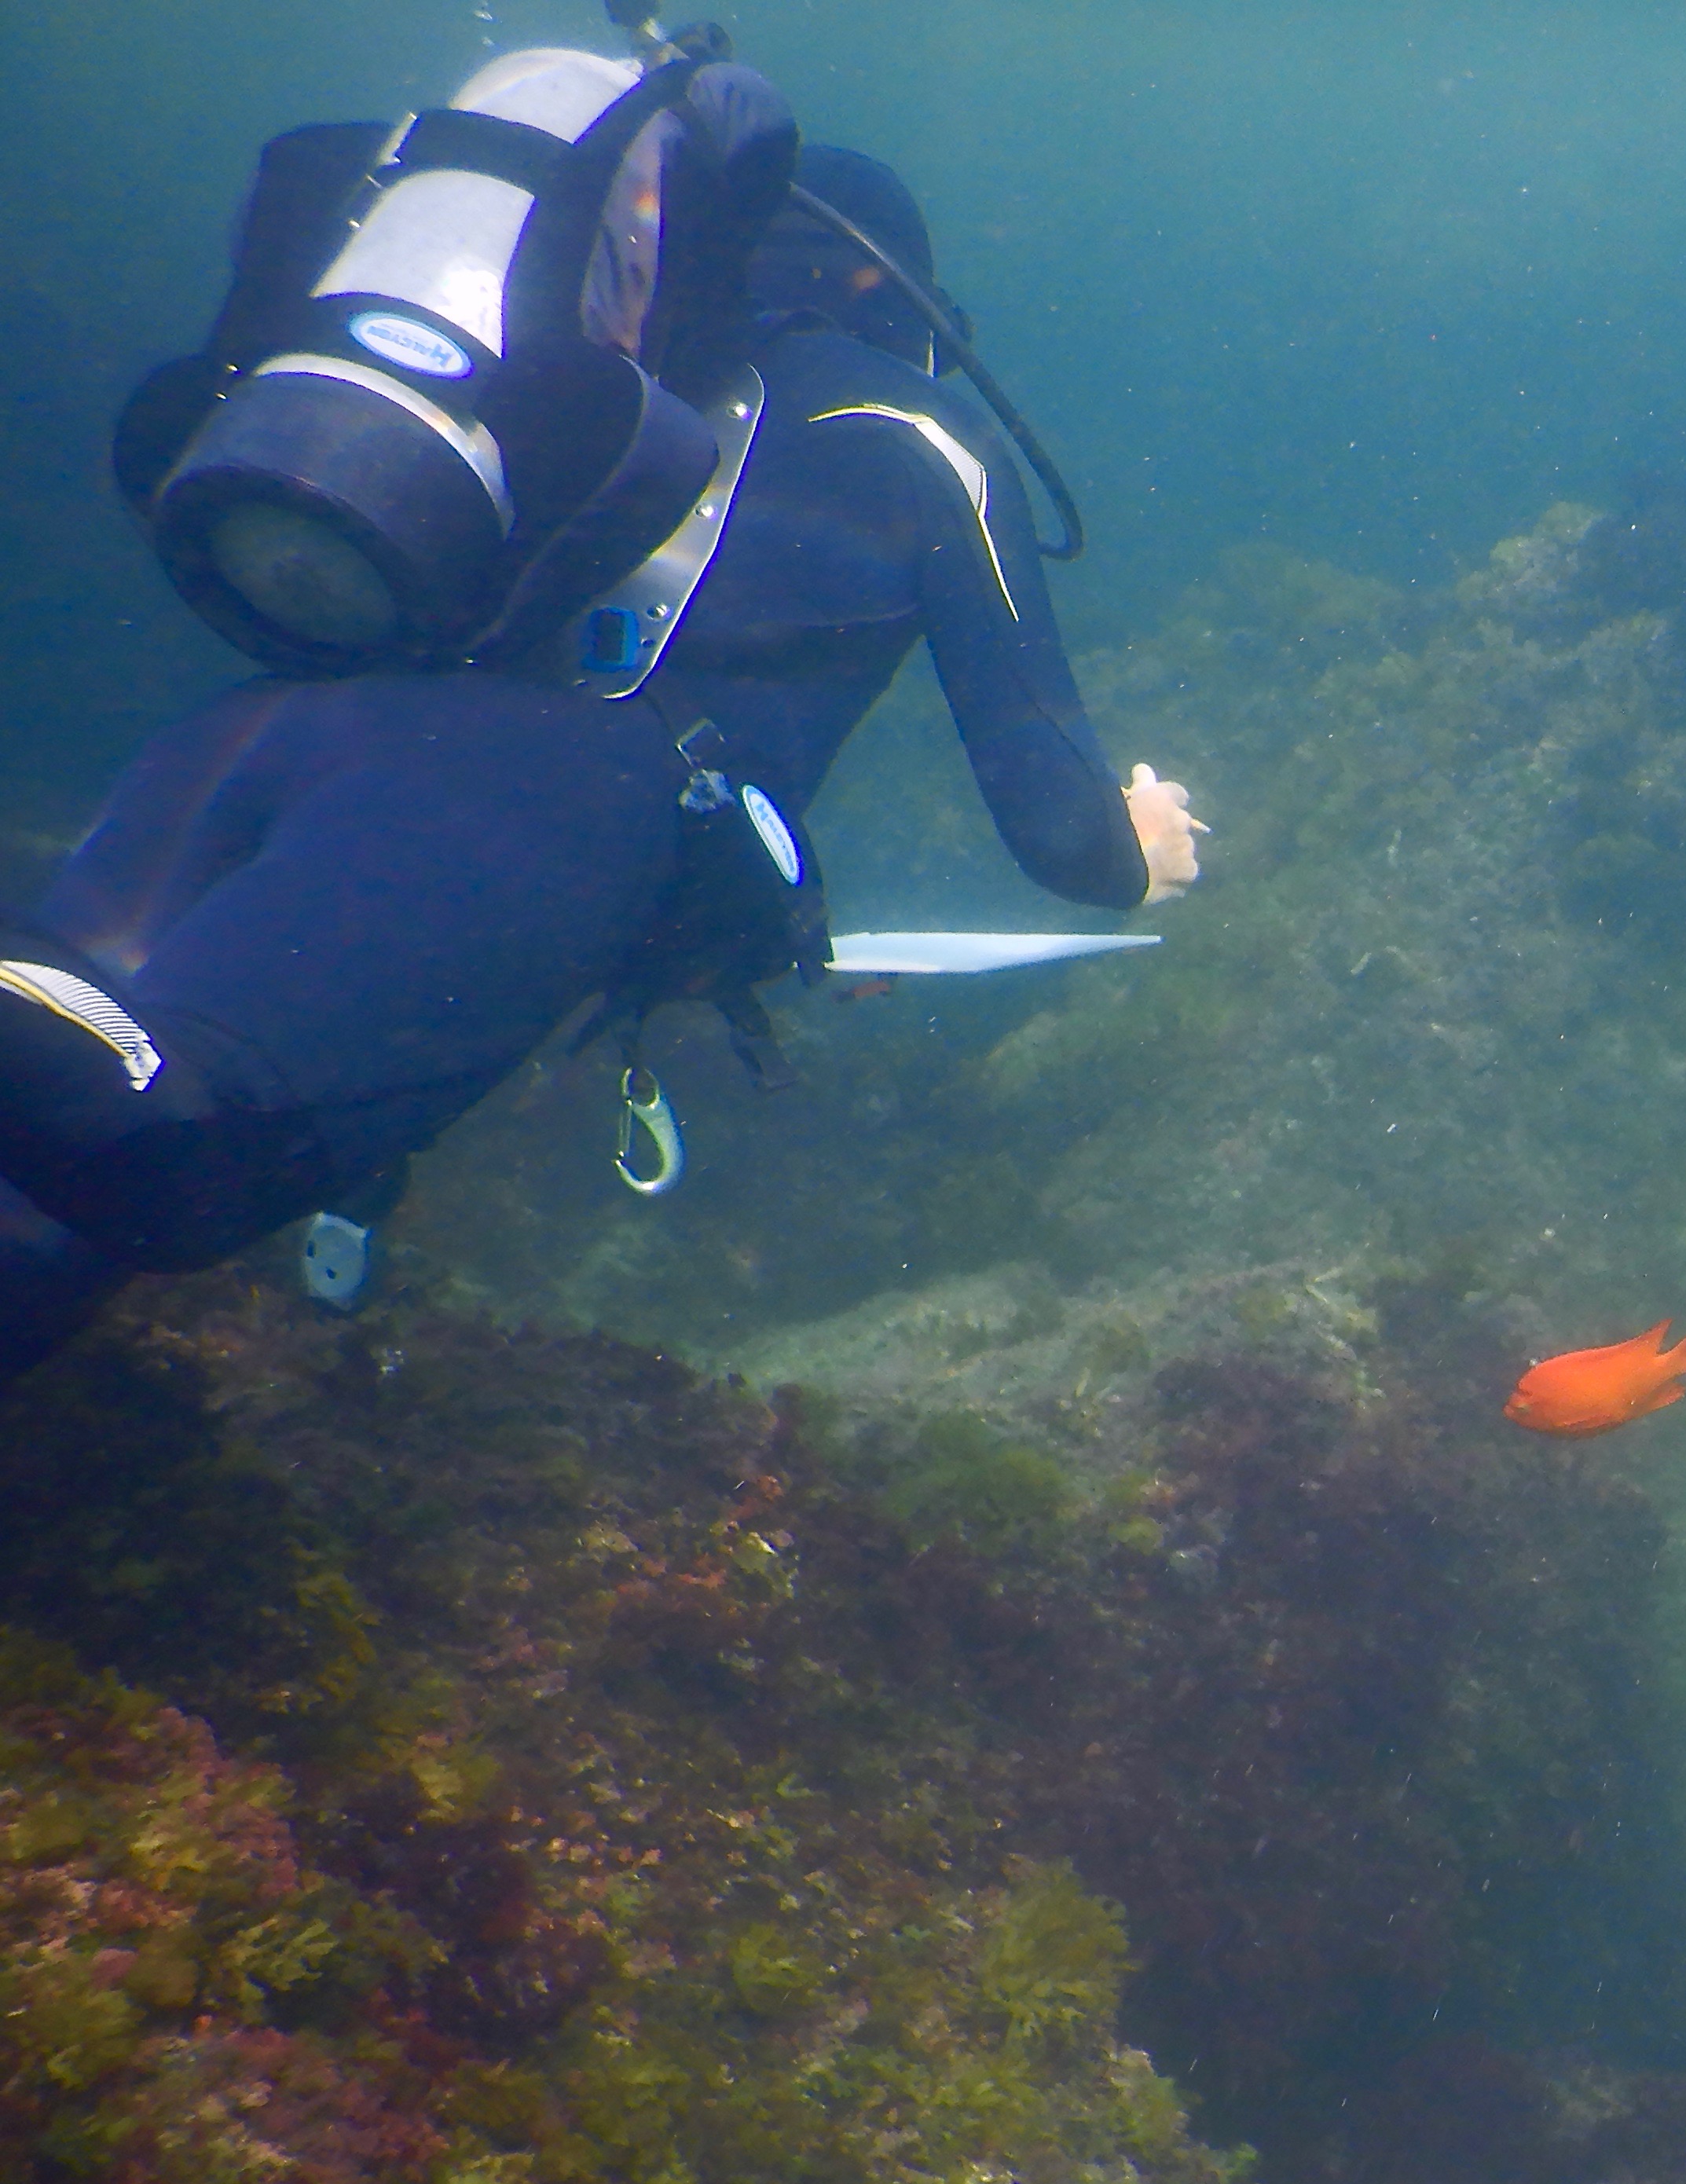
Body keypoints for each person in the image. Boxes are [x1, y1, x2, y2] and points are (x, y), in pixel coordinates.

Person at [0, 79, 1193, 1373]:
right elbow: (1059, 828)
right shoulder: (912, 424)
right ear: (886, 293)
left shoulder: (589, 386)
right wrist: (1134, 851)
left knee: (40, 1230)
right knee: (178, 1164)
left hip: (273, 726)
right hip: (538, 800)